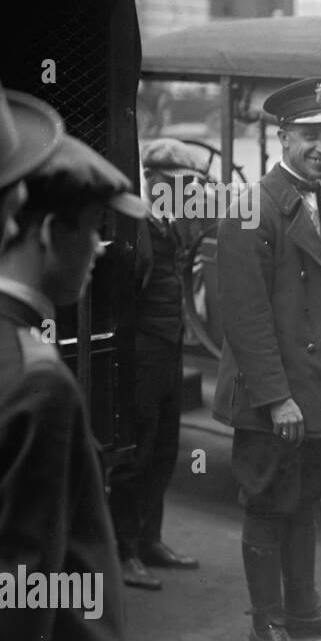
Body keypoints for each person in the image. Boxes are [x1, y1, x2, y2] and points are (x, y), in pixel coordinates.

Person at [0, 84, 146, 641]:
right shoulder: (36, 382)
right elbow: (22, 594)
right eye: (93, 228)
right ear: (48, 232)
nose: (101, 248)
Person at [213, 76, 321, 641]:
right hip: (273, 392)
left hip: (316, 387)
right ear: (282, 137)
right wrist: (277, 398)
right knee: (267, 502)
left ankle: (303, 609)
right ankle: (266, 626)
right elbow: (246, 319)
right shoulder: (255, 207)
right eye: (310, 136)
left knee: (304, 498)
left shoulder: (320, 202)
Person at [107, 138, 207, 592]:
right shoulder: (137, 225)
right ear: (157, 180)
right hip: (143, 349)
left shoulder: (173, 223)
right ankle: (124, 551)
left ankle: (150, 540)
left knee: (165, 447)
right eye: (181, 184)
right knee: (137, 450)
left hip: (169, 347)